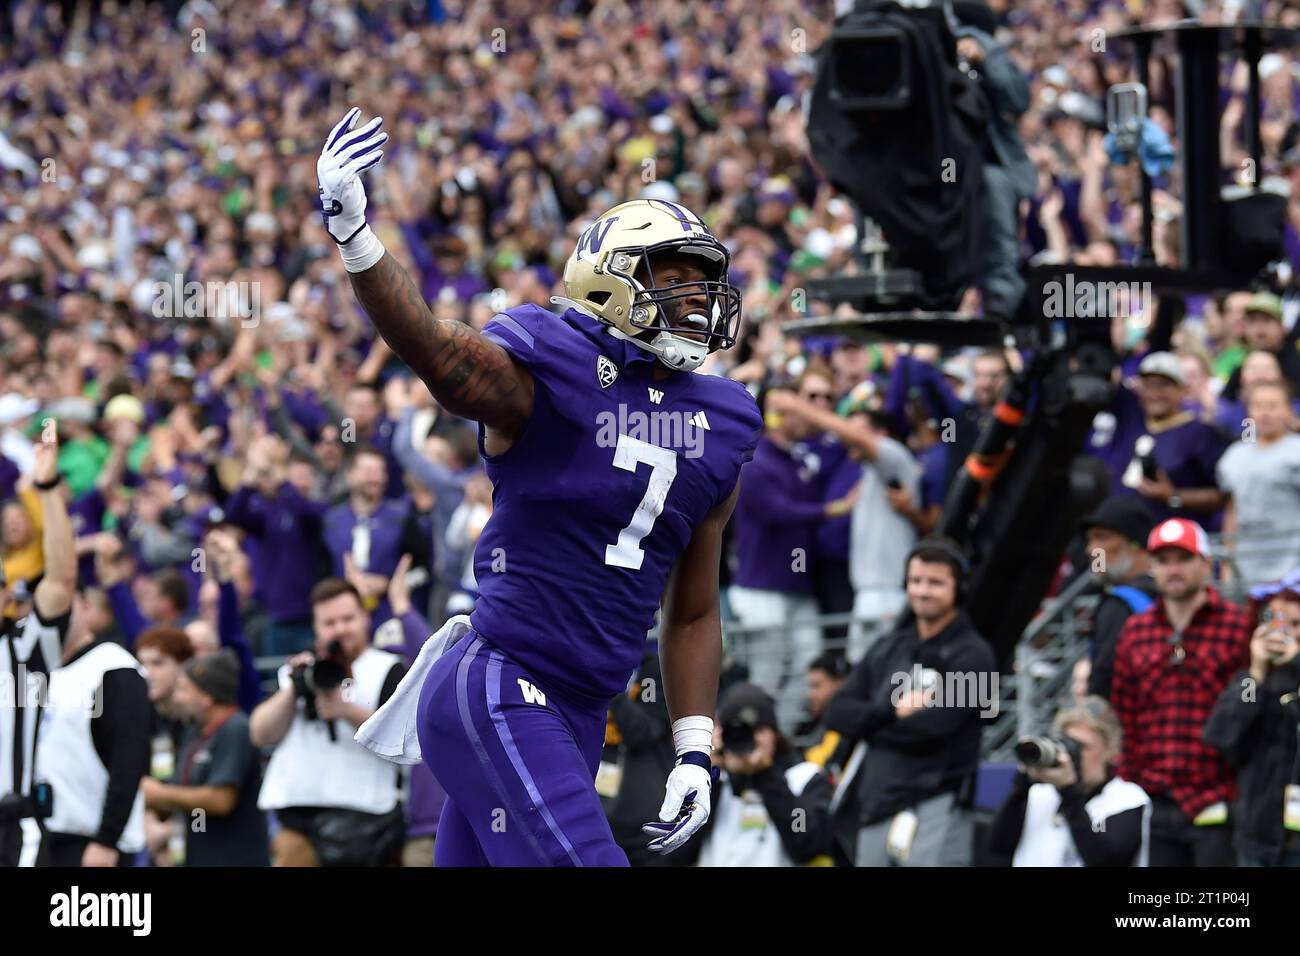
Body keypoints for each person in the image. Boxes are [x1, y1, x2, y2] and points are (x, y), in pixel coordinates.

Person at [319, 112, 761, 865]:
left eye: (704, 280)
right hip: (498, 681)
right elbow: (435, 348)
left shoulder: (723, 418)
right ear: (609, 277)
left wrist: (694, 746)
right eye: (673, 276)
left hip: (583, 713)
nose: (696, 298)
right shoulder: (550, 366)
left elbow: (692, 608)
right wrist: (358, 238)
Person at [824, 538, 997, 866]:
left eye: (935, 582)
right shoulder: (889, 646)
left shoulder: (976, 653)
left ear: (957, 588)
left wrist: (869, 726)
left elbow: (934, 728)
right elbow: (837, 712)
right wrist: (890, 710)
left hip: (937, 801)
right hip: (876, 800)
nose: (923, 591)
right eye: (916, 581)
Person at [1110, 518, 1252, 867]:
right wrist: (1133, 783)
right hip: (1152, 800)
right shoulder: (1135, 630)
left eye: (1183, 559)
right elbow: (1123, 712)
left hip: (1218, 800)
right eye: (1163, 560)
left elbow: (1253, 708)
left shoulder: (1239, 625)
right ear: (1152, 567)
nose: (1173, 569)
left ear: (1206, 564)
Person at [251, 578, 408, 866]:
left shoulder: (390, 668)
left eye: (347, 619)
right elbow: (260, 733)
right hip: (297, 818)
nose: (339, 629)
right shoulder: (299, 668)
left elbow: (403, 739)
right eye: (329, 622)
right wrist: (294, 690)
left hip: (366, 820)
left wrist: (346, 710)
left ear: (365, 618)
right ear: (315, 628)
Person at [765, 388, 922, 660]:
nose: (846, 438)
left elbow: (853, 436)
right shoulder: (868, 472)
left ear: (881, 435)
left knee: (887, 680)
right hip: (869, 596)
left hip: (890, 595)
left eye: (855, 431)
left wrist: (798, 406)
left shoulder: (896, 458)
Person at [730, 364, 852, 711]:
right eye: (791, 410)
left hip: (796, 586)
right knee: (767, 672)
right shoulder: (755, 459)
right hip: (760, 588)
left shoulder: (798, 458)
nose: (803, 416)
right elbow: (777, 511)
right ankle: (751, 744)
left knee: (809, 667)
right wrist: (835, 509)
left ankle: (779, 740)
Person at [0, 437, 77, 867]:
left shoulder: (25, 642)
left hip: (14, 825)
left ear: (8, 596)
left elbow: (62, 579)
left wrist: (46, 491)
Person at [1203, 576, 1300, 866]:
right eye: (1271, 621)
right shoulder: (1252, 682)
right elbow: (1220, 735)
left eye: (1294, 624)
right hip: (1256, 839)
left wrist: (1295, 667)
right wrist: (1255, 672)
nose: (1281, 632)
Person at [987, 696, 1151, 867]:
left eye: (1083, 746)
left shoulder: (1125, 799)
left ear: (1110, 751)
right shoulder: (1041, 794)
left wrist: (1069, 792)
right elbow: (997, 847)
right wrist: (1022, 784)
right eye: (1067, 743)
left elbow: (1105, 860)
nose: (1073, 754)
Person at [141, 650, 270, 866]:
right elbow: (181, 791)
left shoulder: (235, 729)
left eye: (184, 690)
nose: (177, 698)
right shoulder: (194, 733)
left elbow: (220, 800)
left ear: (207, 698)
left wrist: (159, 794)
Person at [694, 683, 835, 867]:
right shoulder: (713, 781)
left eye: (758, 730)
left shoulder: (804, 777)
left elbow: (809, 845)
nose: (750, 740)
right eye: (738, 733)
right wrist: (709, 774)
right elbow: (677, 852)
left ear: (775, 734)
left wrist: (765, 775)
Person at [1217, 380, 1300, 586]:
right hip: (1245, 563)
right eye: (1259, 406)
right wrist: (1227, 562)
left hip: (1291, 562)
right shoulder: (1235, 454)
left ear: (1289, 410)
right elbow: (1232, 511)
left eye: (1273, 405)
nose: (1265, 413)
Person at [1078, 497, 1158, 700]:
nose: (1091, 550)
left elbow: (1105, 678)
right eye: (1090, 540)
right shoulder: (1175, 595)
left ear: (1135, 544)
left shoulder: (1120, 603)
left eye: (1101, 537)